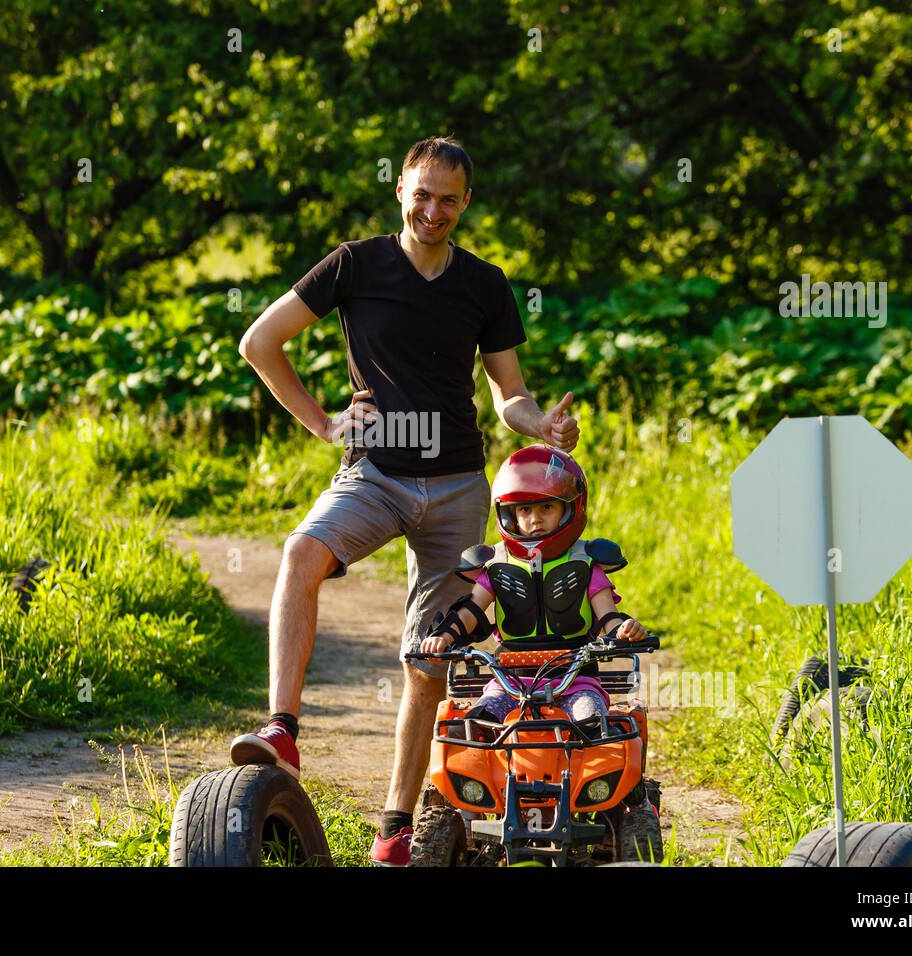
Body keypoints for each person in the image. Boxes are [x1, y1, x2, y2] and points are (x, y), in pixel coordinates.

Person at [231, 136, 580, 866]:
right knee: (301, 550)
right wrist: (324, 423)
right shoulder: (355, 264)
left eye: (448, 199)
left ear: (466, 203)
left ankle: (393, 829)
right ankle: (281, 729)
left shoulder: (485, 283)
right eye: (421, 194)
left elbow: (508, 393)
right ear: (400, 191)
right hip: (375, 476)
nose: (433, 210)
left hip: (456, 487)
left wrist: (540, 423)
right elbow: (260, 342)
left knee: (428, 662)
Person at [418, 444, 649, 733]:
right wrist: (443, 636)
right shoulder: (495, 563)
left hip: (576, 680)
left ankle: (596, 780)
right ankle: (475, 781)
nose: (535, 519)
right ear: (509, 513)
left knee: (593, 725)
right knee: (474, 726)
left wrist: (624, 630)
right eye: (524, 509)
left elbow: (608, 617)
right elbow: (471, 610)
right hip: (509, 682)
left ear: (570, 507)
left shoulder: (588, 563)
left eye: (546, 507)